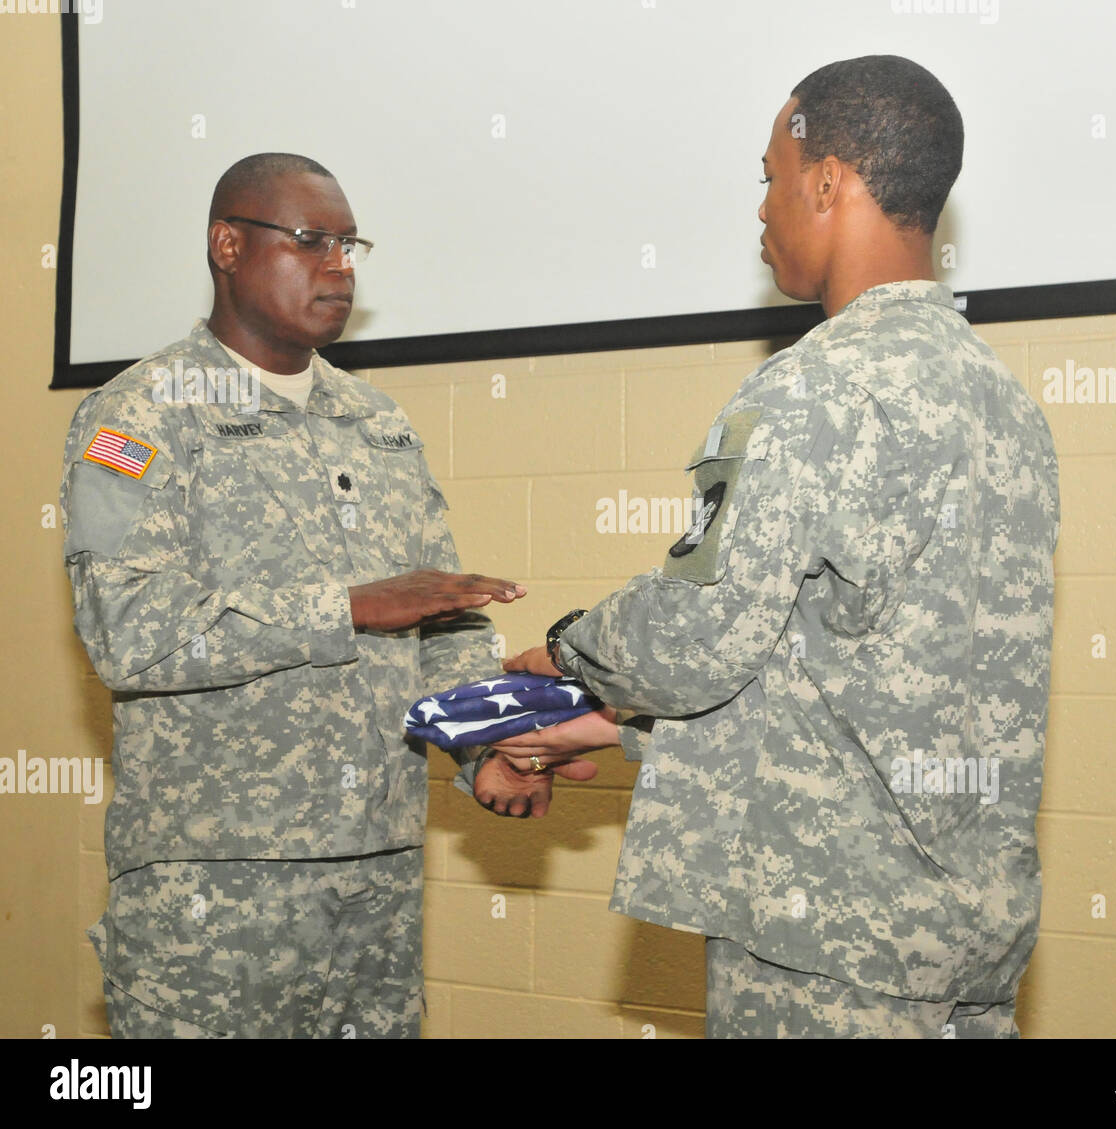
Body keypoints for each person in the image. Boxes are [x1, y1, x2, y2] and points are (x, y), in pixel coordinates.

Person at [499, 56, 1060, 1038]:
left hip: (827, 944)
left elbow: (692, 640)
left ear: (826, 180)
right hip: (963, 941)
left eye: (767, 177)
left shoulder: (809, 386)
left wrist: (566, 652)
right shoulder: (1004, 403)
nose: (761, 210)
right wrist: (595, 728)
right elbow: (853, 684)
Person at [60, 153, 572, 1039]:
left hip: (377, 874)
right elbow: (126, 630)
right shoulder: (136, 415)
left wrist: (482, 747)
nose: (340, 267)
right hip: (216, 886)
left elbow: (440, 619)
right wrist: (344, 605)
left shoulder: (376, 423)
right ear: (227, 244)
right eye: (310, 241)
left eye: (349, 244)